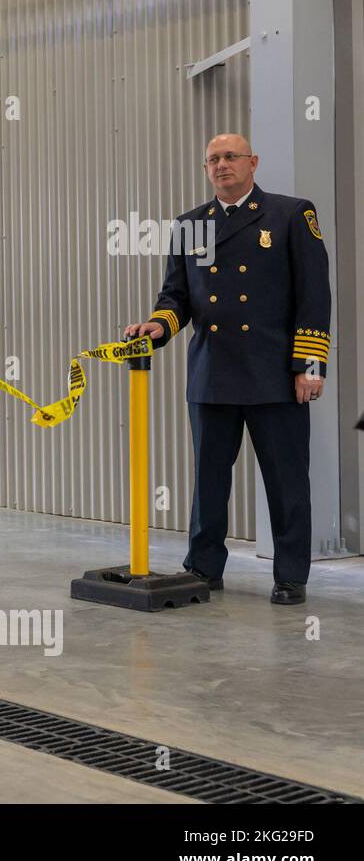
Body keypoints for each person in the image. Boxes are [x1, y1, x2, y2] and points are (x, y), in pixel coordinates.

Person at [125, 133, 331, 605]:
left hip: (275, 374)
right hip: (212, 373)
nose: (221, 165)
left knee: (286, 479)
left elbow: (314, 297)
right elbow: (176, 296)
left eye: (230, 157)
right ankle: (203, 567)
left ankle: (291, 574)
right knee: (209, 478)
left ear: (252, 162)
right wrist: (158, 326)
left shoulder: (291, 214)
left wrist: (310, 365)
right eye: (213, 159)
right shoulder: (190, 226)